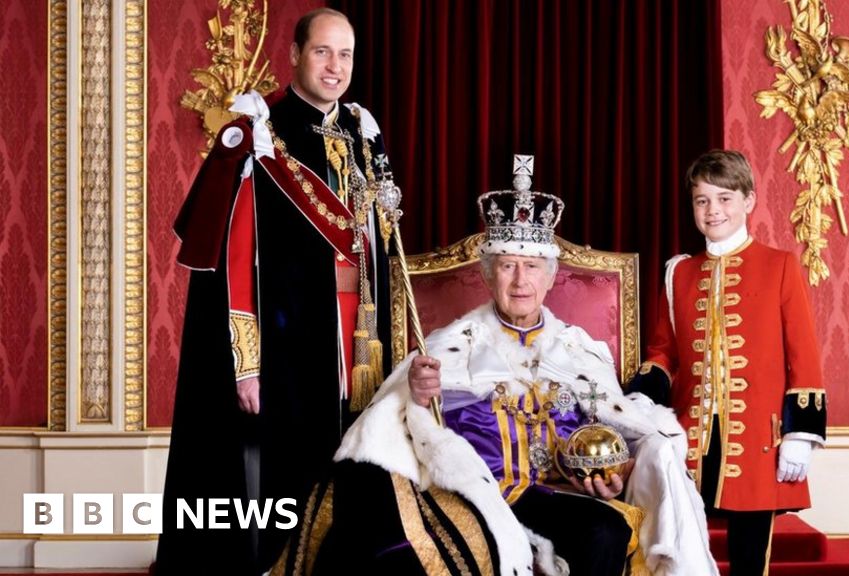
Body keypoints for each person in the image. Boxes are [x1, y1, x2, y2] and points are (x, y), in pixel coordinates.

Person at [277, 164, 719, 575]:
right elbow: (397, 427)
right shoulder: (451, 345)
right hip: (475, 494)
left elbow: (620, 429)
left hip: (557, 494)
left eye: (531, 268)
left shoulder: (580, 350)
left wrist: (611, 475)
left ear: (551, 278)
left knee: (605, 530)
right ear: (488, 276)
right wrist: (417, 395)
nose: (520, 281)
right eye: (507, 266)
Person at [156, 8, 394, 574]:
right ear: (293, 54)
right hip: (290, 345)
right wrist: (246, 364)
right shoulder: (260, 131)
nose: (335, 67)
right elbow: (236, 258)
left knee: (354, 482)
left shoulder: (362, 132)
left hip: (361, 342)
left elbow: (379, 252)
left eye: (346, 55)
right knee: (289, 490)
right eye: (322, 52)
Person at [628, 149, 827, 576]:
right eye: (702, 201)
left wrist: (801, 433)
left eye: (724, 198)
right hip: (691, 436)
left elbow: (803, 353)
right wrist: (644, 396)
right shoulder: (679, 273)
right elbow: (665, 350)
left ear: (749, 201)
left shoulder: (780, 265)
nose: (713, 210)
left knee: (750, 557)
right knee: (683, 550)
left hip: (758, 438)